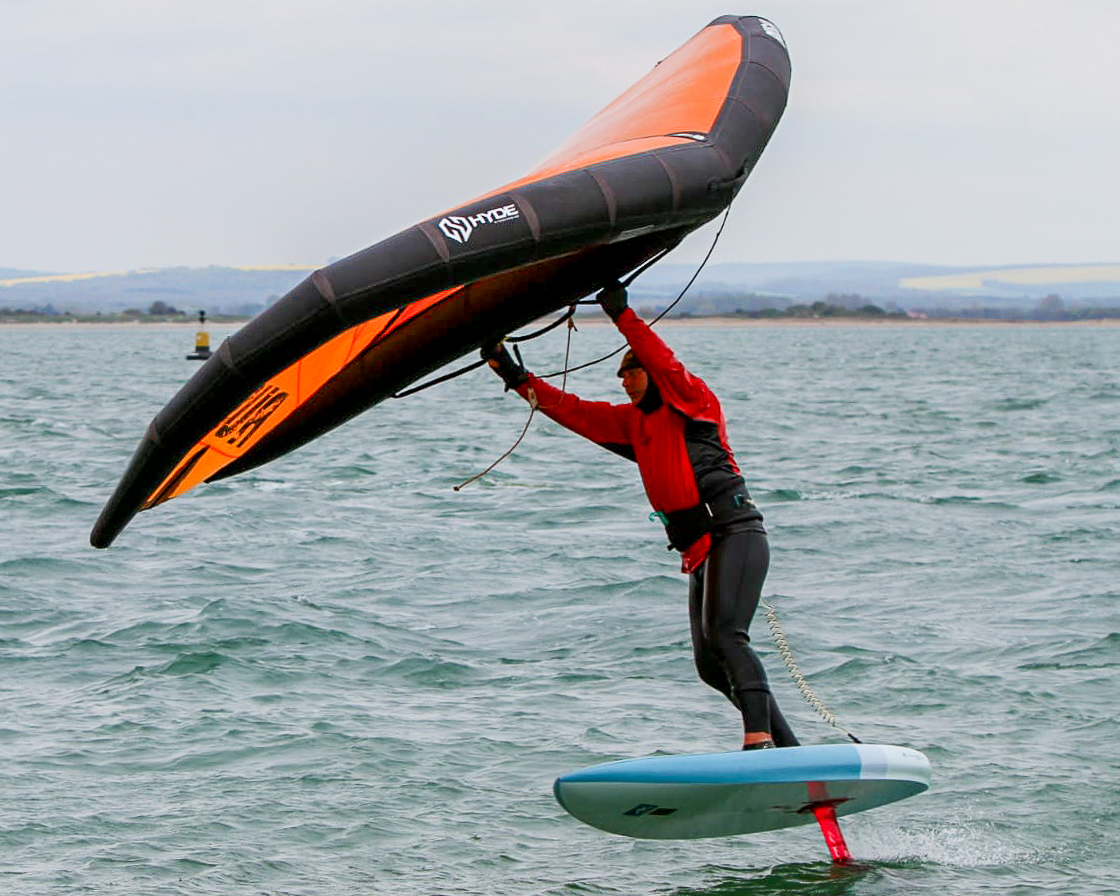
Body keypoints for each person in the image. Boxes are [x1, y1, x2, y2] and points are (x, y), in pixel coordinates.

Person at [482, 285, 799, 750]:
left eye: (630, 372)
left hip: (734, 533)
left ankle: (758, 742)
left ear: (651, 374)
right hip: (698, 549)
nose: (622, 381)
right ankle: (789, 750)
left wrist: (622, 314)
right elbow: (570, 411)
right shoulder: (633, 424)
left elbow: (663, 359)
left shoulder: (692, 402)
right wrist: (509, 371)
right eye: (621, 375)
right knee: (711, 668)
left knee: (728, 638)